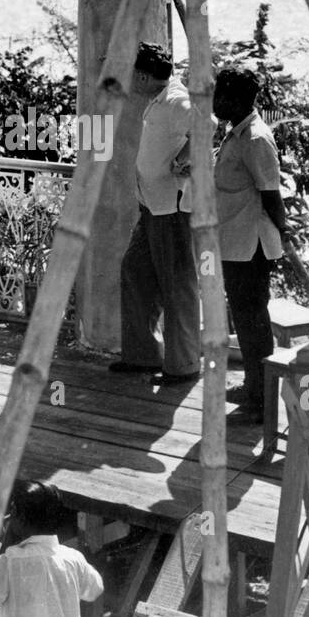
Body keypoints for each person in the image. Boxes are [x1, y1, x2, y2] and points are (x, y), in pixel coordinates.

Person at [109, 42, 200, 384]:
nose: (132, 81)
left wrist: (187, 157)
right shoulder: (158, 101)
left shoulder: (178, 100)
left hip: (172, 208)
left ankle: (184, 366)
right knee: (134, 272)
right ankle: (144, 355)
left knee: (177, 286)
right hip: (151, 207)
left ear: (145, 76)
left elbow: (206, 127)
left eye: (135, 75)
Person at [212, 65, 289, 422]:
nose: (215, 101)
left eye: (221, 95)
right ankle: (254, 386)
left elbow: (272, 195)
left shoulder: (256, 139)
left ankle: (262, 401)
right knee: (244, 318)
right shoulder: (235, 134)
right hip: (235, 241)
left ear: (240, 99)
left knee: (253, 320)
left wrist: (281, 238)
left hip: (251, 245)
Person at [0, 481, 104, 617]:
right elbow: (95, 589)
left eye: (12, 511)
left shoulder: (9, 561)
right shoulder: (74, 558)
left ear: (22, 518)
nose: (8, 517)